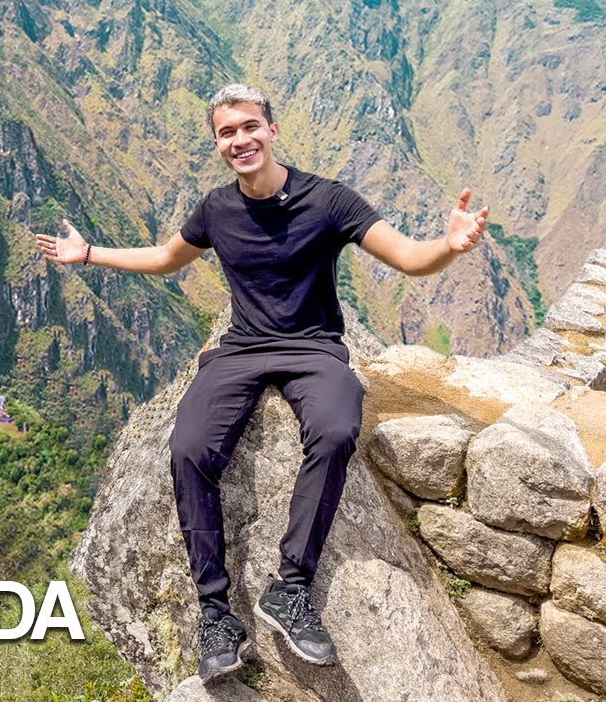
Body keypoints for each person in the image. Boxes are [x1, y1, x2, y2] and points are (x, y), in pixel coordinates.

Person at [35, 84, 489, 682]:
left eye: (250, 126)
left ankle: (290, 586)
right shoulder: (216, 210)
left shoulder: (328, 201)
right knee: (189, 449)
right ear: (217, 144)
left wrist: (449, 247)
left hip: (313, 347)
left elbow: (407, 257)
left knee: (335, 430)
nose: (240, 140)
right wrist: (89, 253)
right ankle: (215, 613)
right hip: (243, 348)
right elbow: (167, 259)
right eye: (227, 132)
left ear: (272, 131)